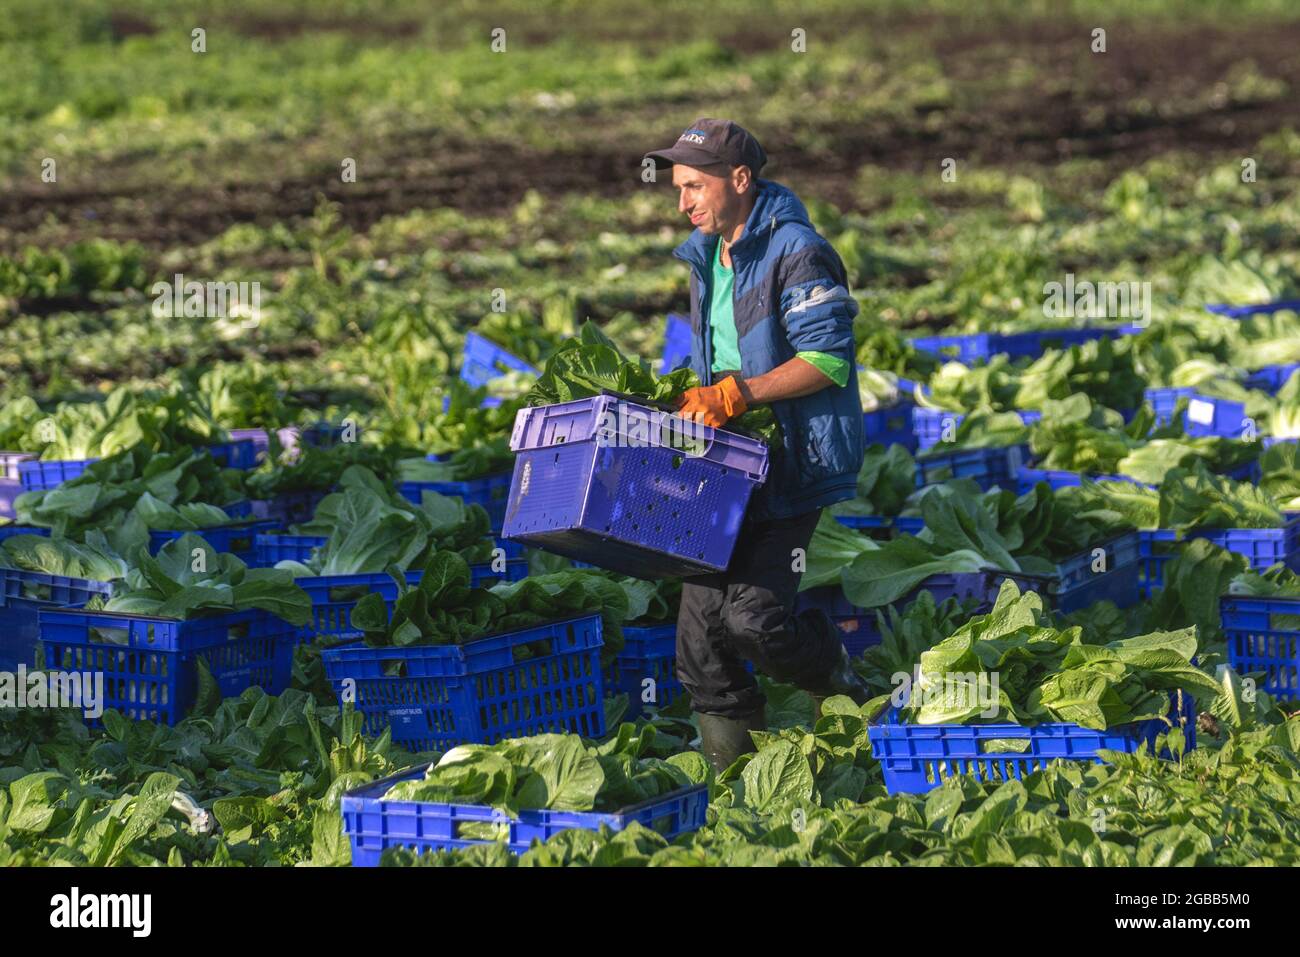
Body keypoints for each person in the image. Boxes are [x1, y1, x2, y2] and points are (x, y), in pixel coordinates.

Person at [643, 118, 872, 772]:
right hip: (724, 470)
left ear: (740, 180)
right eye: (677, 186)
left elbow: (828, 360)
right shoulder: (705, 254)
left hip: (792, 464)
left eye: (695, 185)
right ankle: (739, 801)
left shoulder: (796, 249)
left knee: (755, 620)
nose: (682, 201)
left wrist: (737, 395)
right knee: (699, 646)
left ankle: (842, 685)